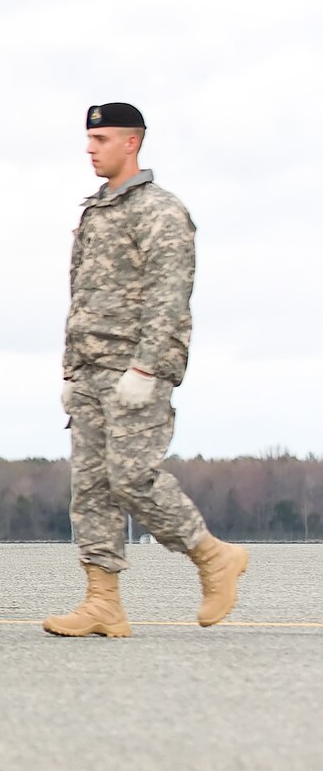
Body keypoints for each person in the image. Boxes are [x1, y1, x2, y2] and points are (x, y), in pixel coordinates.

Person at [43, 102, 247, 637]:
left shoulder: (160, 210)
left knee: (131, 477)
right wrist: (69, 369)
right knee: (90, 489)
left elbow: (170, 294)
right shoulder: (95, 210)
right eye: (89, 139)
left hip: (134, 370)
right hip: (89, 368)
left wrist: (149, 367)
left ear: (132, 143)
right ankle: (102, 601)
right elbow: (79, 295)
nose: (91, 148)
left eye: (103, 139)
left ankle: (212, 556)